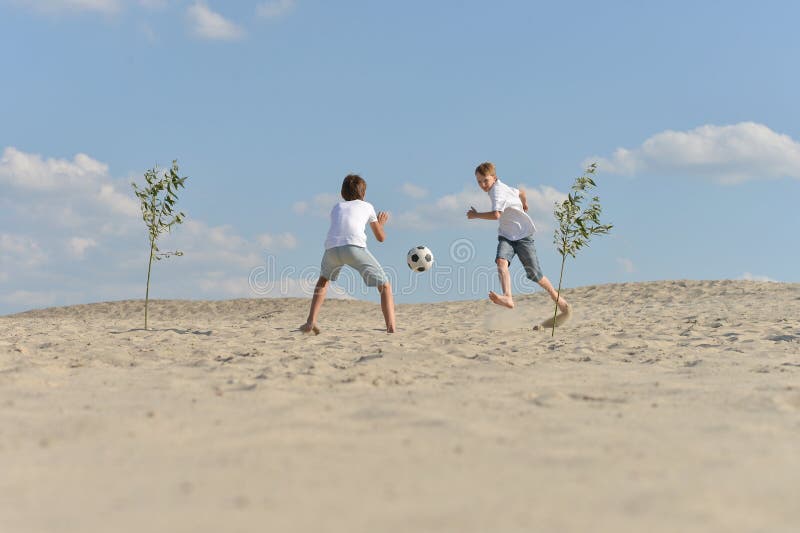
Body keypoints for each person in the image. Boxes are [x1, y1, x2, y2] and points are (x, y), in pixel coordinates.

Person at [467, 161, 570, 318]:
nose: (482, 185)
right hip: (507, 236)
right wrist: (524, 203)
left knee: (535, 275)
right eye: (479, 182)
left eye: (485, 180)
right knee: (501, 261)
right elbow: (521, 192)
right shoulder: (502, 188)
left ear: (494, 178)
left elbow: (496, 215)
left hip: (523, 237)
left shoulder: (497, 192)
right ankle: (508, 297)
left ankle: (557, 298)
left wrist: (476, 215)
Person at [300, 174, 395, 334]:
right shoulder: (367, 206)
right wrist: (381, 224)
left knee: (323, 281)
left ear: (343, 193)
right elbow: (380, 238)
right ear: (363, 193)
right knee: (385, 285)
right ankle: (391, 328)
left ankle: (311, 321)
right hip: (353, 247)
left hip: (331, 249)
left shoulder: (336, 207)